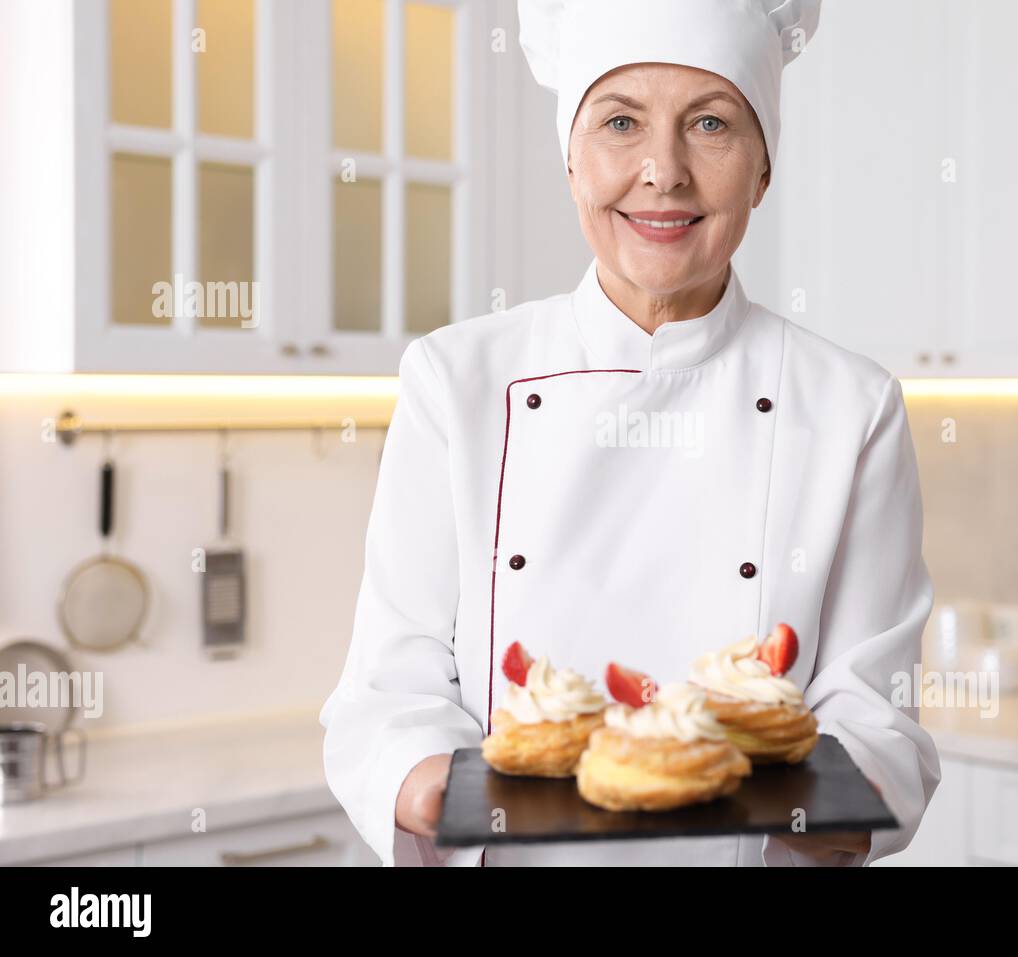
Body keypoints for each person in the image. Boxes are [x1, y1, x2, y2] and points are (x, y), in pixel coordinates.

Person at [320, 0, 940, 866]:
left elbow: (873, 707)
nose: (664, 172)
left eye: (711, 124)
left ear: (764, 170)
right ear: (570, 160)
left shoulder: (850, 404)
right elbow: (390, 683)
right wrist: (426, 786)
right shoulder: (455, 380)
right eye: (620, 122)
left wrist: (843, 803)